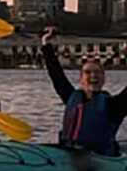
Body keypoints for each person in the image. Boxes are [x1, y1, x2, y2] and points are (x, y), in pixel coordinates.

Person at [41, 27, 127, 156]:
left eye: (98, 73)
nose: (93, 76)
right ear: (81, 79)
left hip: (100, 160)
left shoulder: (115, 106)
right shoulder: (70, 96)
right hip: (68, 153)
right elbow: (56, 73)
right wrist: (46, 43)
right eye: (88, 72)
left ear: (103, 78)